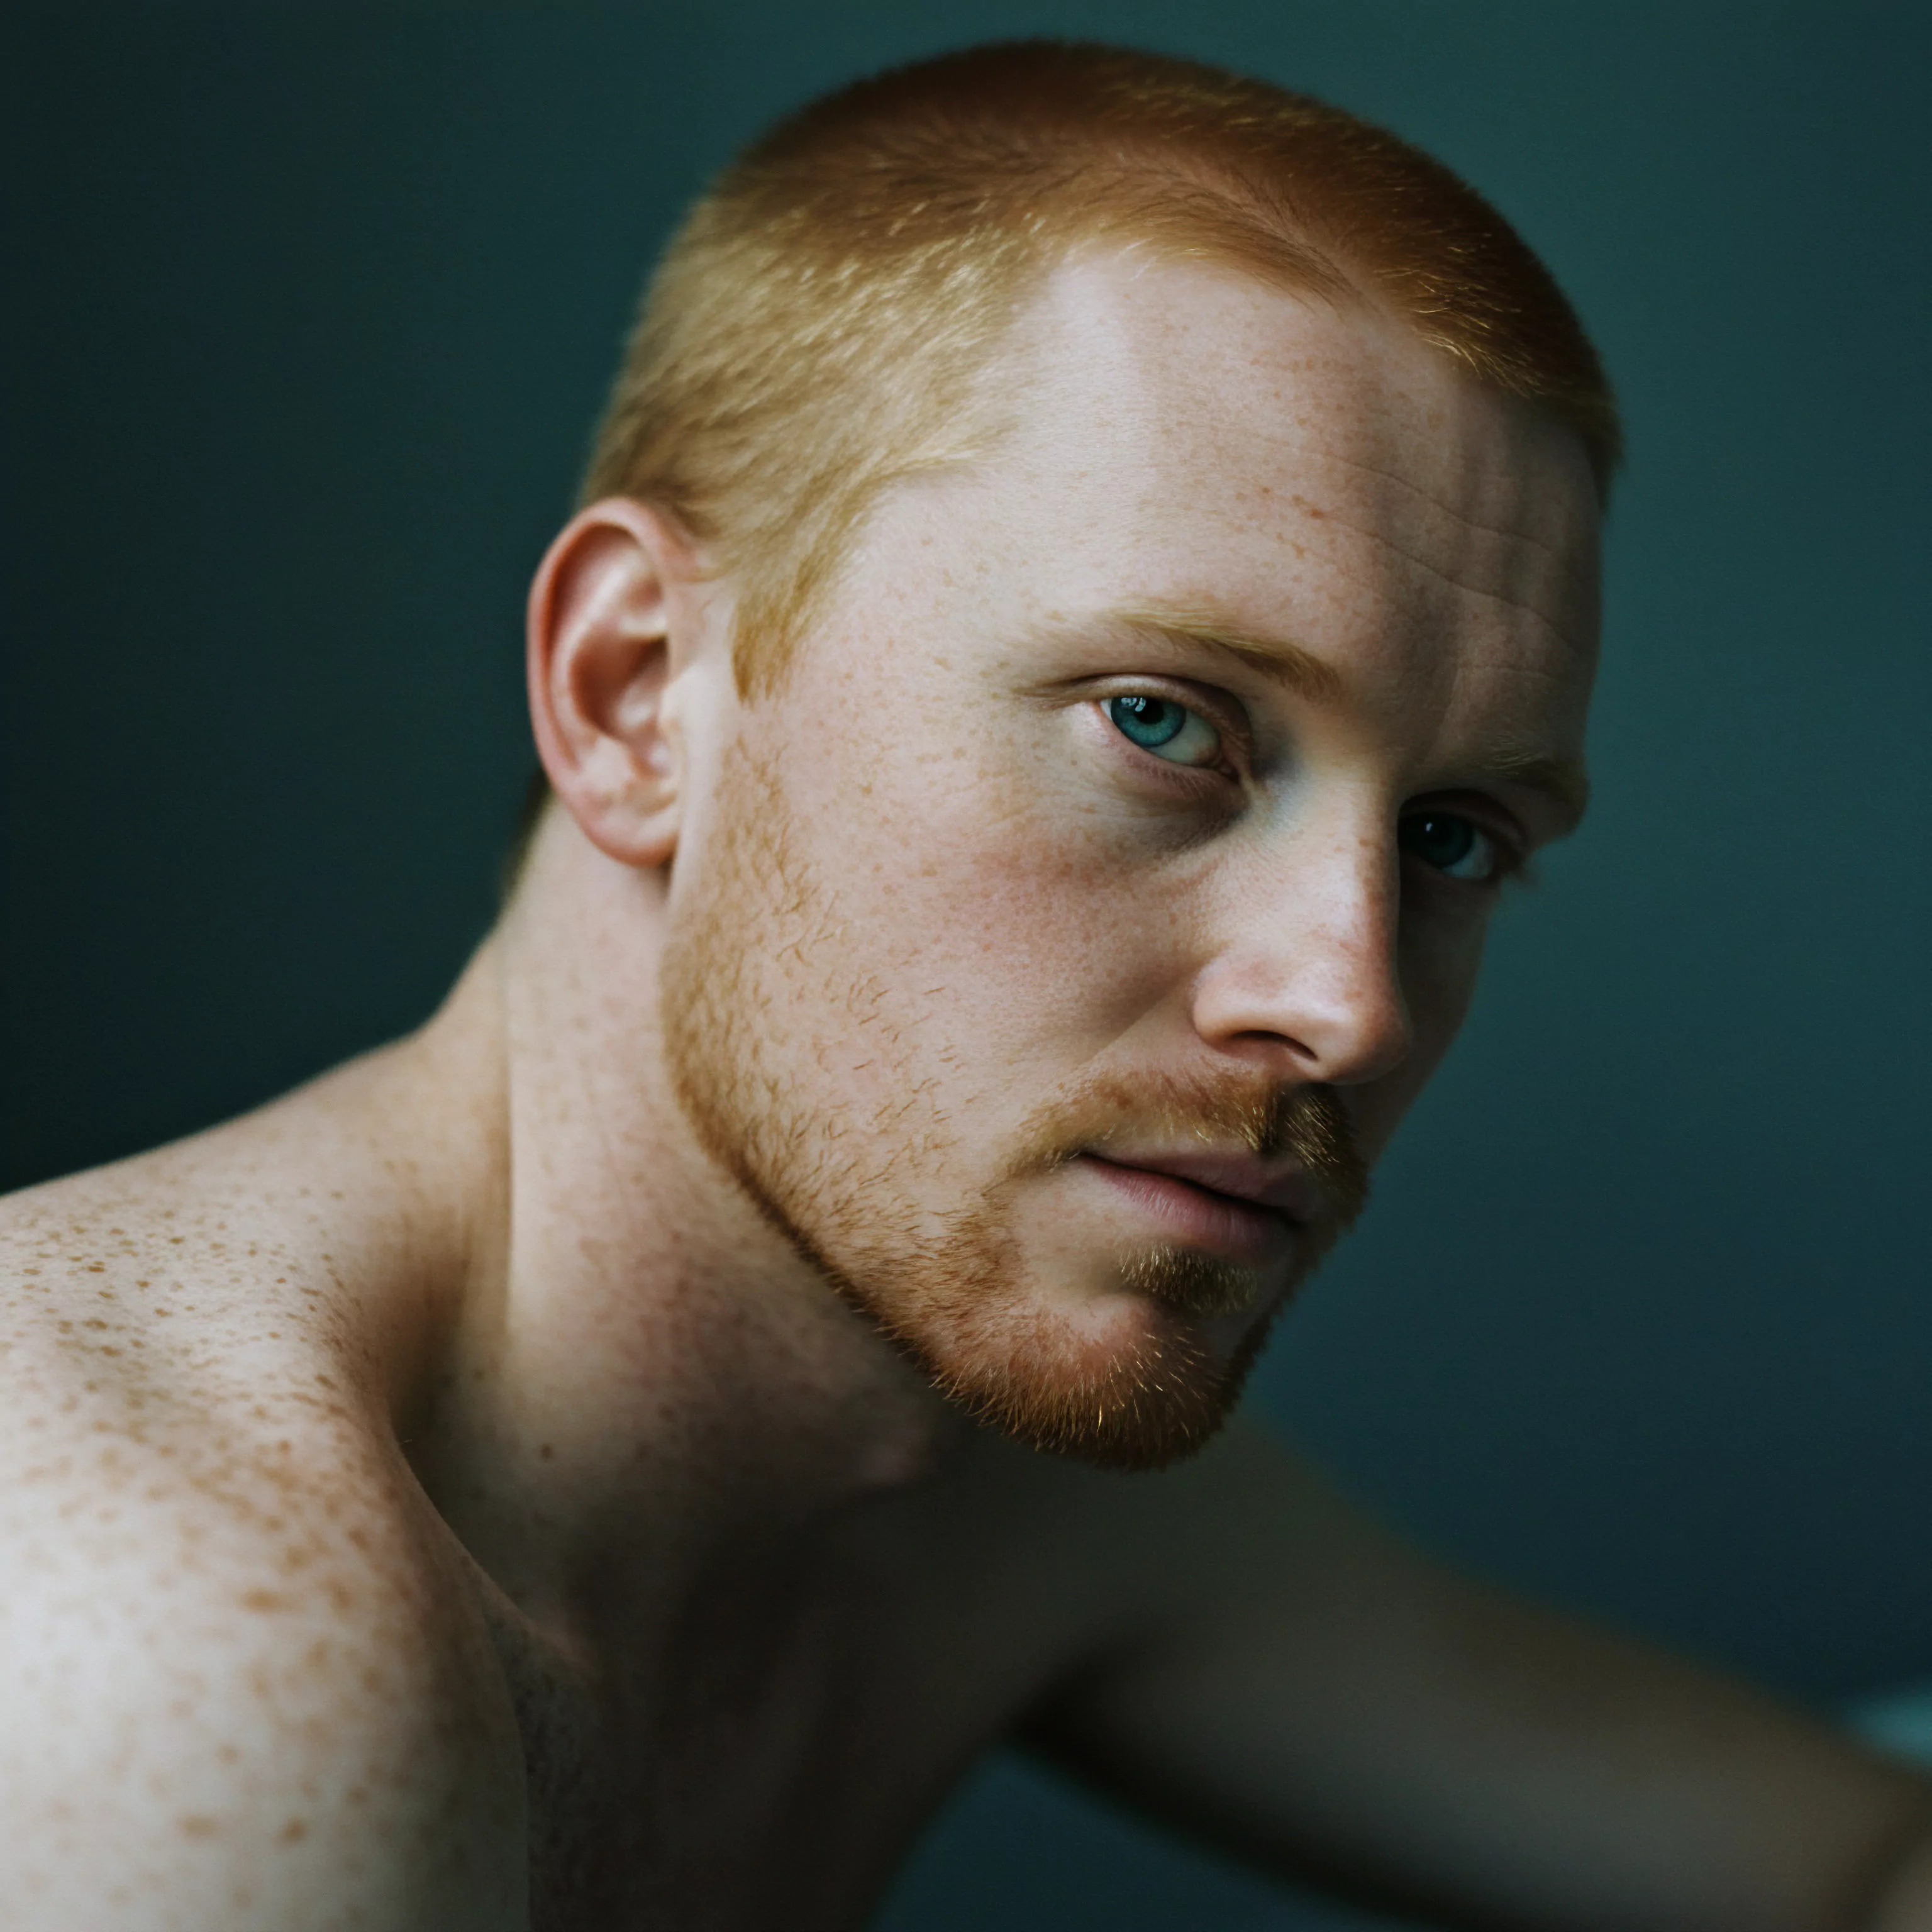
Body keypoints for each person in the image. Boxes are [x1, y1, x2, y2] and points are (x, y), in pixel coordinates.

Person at [3, 38, 1928, 1932]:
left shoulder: (954, 1474)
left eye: (1453, 839)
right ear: (637, 693)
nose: (1349, 1007)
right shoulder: (169, 1653)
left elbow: (1859, 1865)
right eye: (1164, 722)